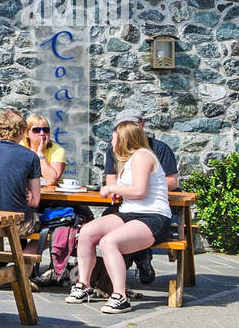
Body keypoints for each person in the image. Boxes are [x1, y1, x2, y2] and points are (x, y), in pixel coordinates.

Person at [66, 120, 173, 314]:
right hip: (129, 212)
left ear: (124, 138)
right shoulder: (128, 160)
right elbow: (133, 191)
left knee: (109, 242)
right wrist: (120, 192)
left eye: (113, 137)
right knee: (87, 232)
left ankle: (120, 296)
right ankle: (84, 284)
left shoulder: (142, 156)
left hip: (153, 217)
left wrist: (112, 188)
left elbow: (140, 191)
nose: (111, 142)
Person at [103, 108, 179, 285]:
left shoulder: (158, 149)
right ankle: (142, 258)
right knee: (101, 223)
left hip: (152, 208)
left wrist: (139, 183)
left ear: (141, 126)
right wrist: (116, 189)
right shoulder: (113, 149)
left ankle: (124, 278)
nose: (126, 129)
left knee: (117, 234)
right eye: (122, 126)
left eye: (131, 125)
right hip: (127, 205)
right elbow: (110, 180)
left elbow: (172, 182)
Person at [0, 109, 42, 237]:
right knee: (47, 231)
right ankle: (24, 256)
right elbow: (34, 202)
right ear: (22, 131)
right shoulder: (30, 156)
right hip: (17, 223)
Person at [20, 112, 67, 186]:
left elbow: (51, 180)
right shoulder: (20, 147)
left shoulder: (58, 150)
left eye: (45, 130)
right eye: (36, 130)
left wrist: (40, 153)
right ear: (27, 133)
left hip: (51, 194)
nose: (42, 133)